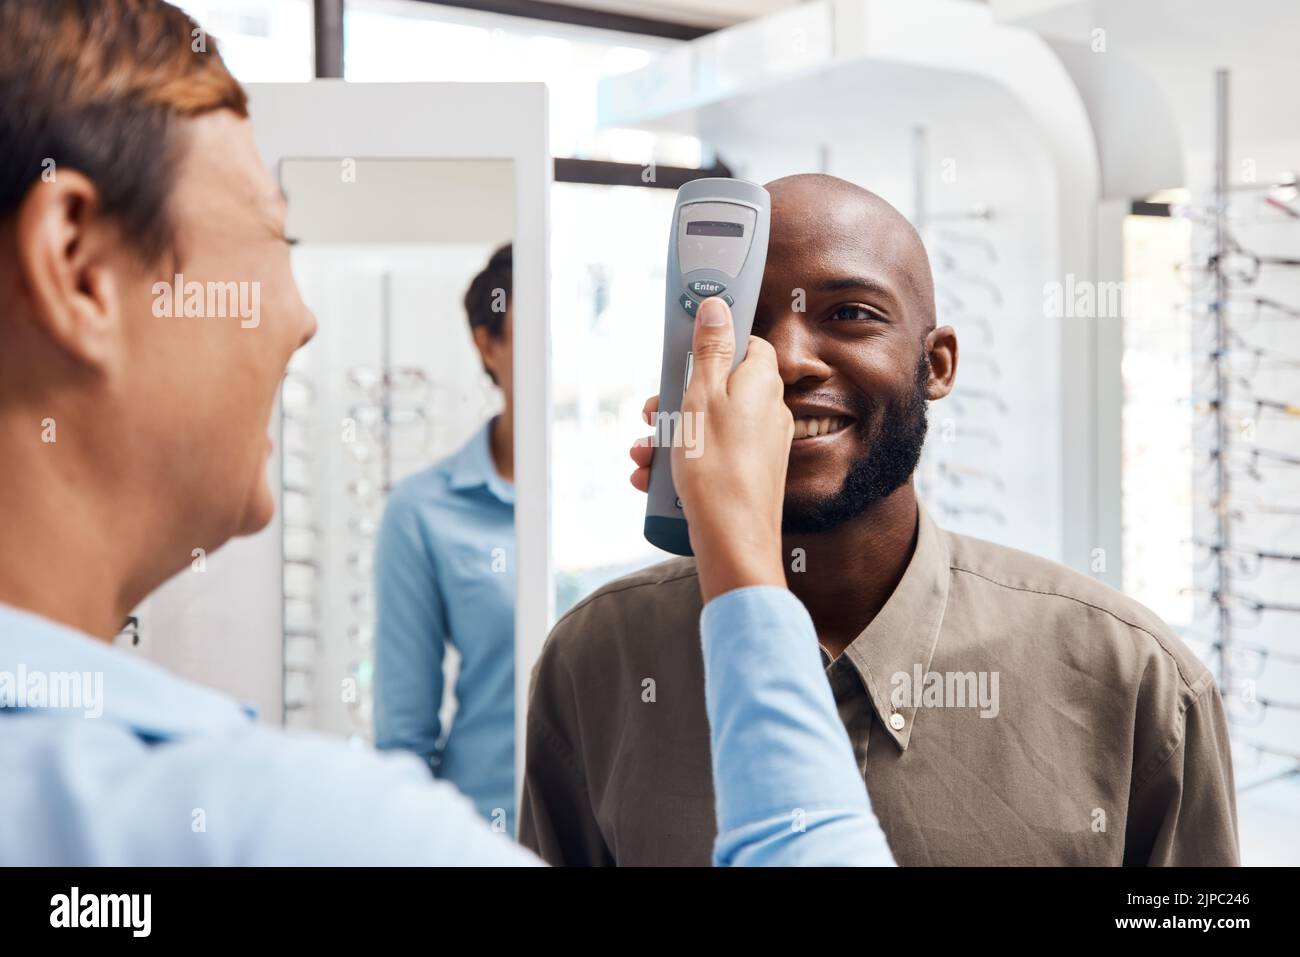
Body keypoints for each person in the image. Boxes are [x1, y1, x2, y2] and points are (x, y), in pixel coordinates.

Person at [0, 0, 893, 866]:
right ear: (76, 264)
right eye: (276, 236)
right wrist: (743, 562)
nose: (300, 319)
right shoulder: (289, 832)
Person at [519, 173, 1241, 867]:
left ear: (937, 364)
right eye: (744, 322)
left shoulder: (1139, 682)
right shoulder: (594, 662)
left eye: (849, 314)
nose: (791, 360)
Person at [373, 245, 519, 832]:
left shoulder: (633, 492)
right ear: (489, 344)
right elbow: (403, 740)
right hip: (486, 836)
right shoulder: (423, 510)